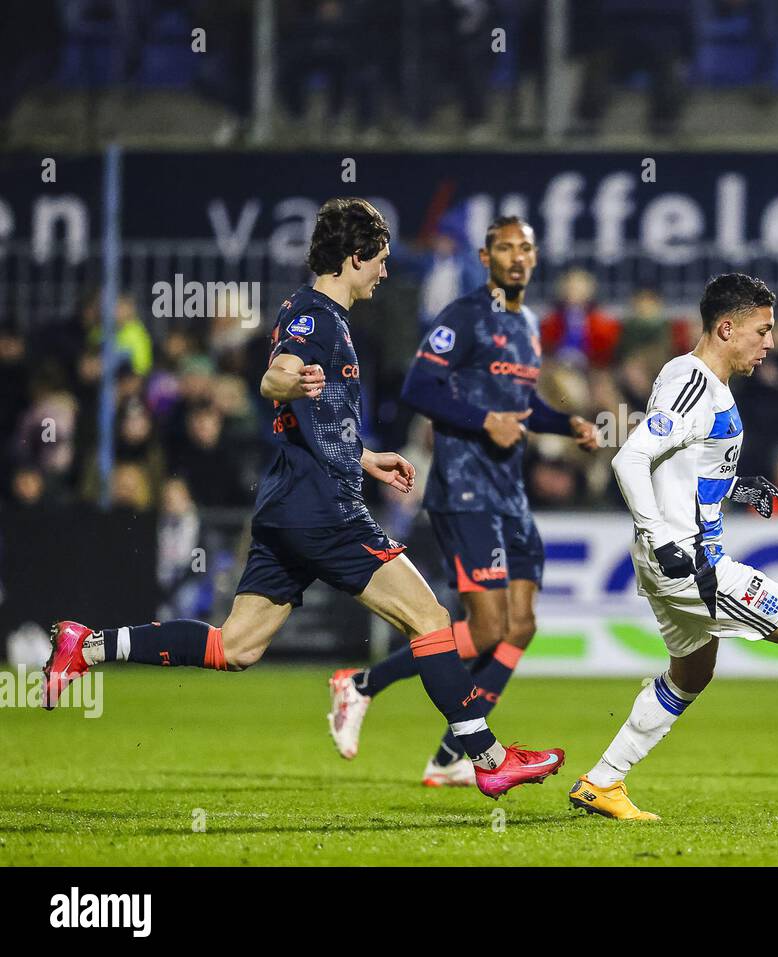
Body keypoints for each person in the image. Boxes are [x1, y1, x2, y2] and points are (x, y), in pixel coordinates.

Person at [41, 198, 565, 800]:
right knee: (431, 619)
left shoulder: (314, 313)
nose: (386, 274)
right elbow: (277, 376)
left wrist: (366, 457)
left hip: (289, 501)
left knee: (235, 646)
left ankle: (89, 644)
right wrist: (282, 379)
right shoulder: (316, 318)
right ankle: (489, 757)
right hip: (324, 509)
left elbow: (314, 417)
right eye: (381, 261)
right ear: (354, 258)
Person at [568, 273, 778, 821]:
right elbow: (629, 458)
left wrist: (740, 489)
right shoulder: (695, 384)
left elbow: (682, 465)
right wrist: (659, 535)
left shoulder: (690, 377)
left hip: (670, 556)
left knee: (693, 671)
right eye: (762, 330)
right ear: (726, 328)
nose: (769, 343)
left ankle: (603, 782)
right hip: (692, 562)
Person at [326, 215, 598, 787]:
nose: (517, 257)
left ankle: (450, 752)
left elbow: (520, 408)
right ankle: (363, 687)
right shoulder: (466, 316)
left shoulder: (526, 324)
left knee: (519, 627)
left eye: (526, 247)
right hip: (466, 490)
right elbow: (419, 388)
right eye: (505, 248)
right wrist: (484, 419)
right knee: (490, 628)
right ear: (485, 257)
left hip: (509, 493)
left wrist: (564, 422)